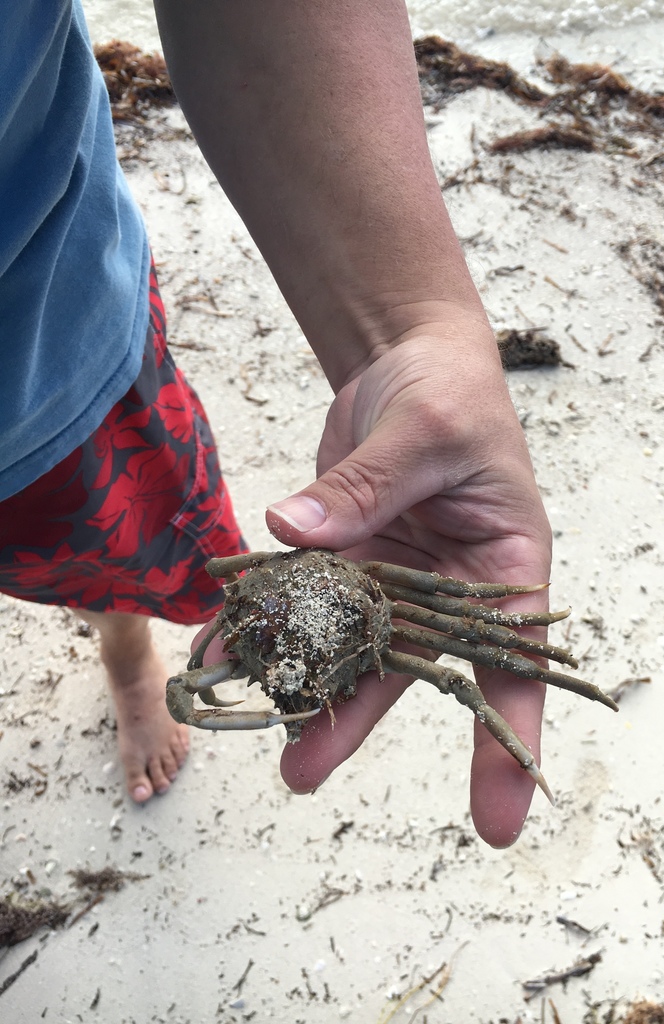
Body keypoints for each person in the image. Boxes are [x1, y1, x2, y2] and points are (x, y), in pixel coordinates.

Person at [0, 0, 552, 848]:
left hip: (52, 356)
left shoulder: (381, 588)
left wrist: (416, 329)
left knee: (113, 552)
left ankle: (126, 652)